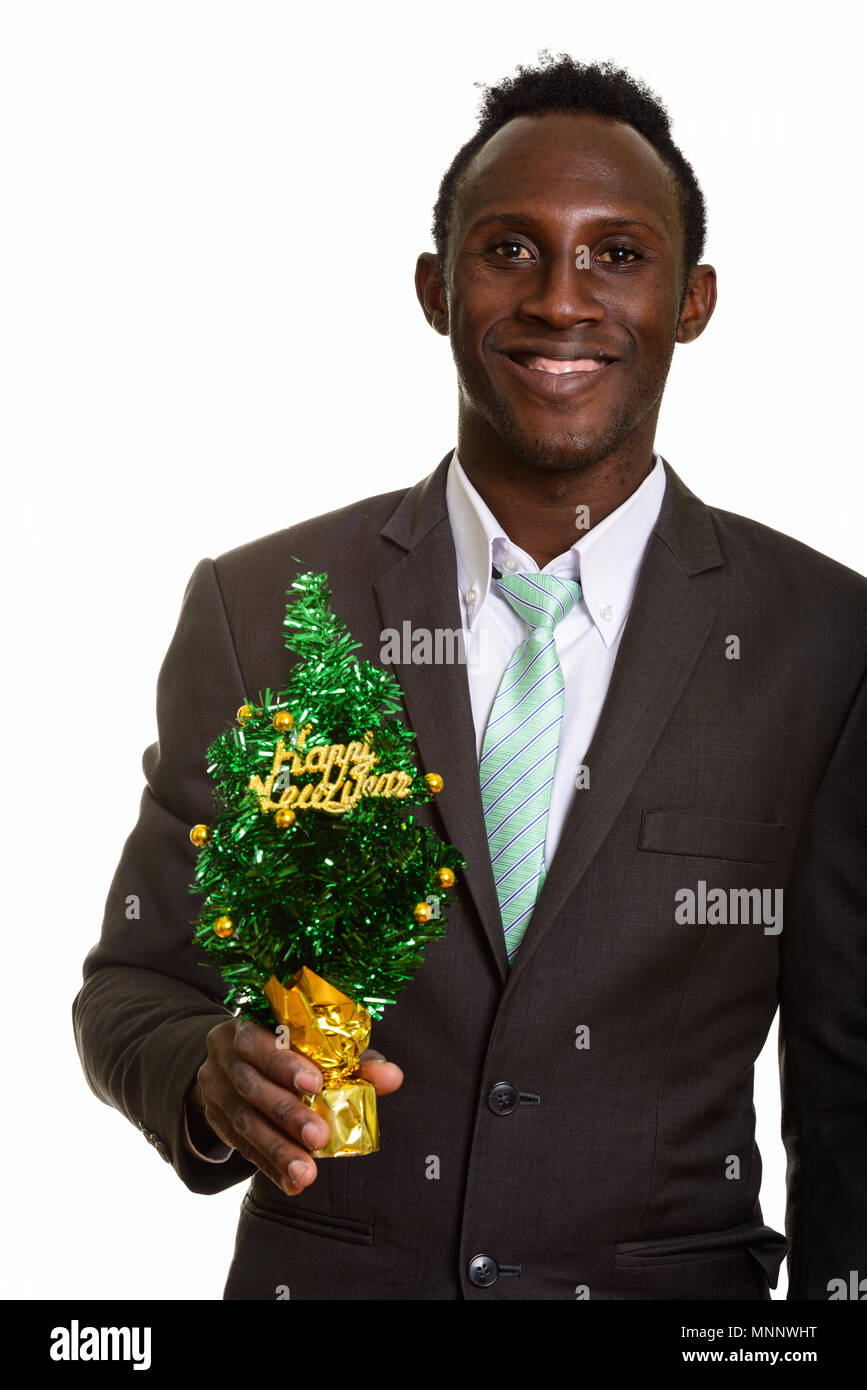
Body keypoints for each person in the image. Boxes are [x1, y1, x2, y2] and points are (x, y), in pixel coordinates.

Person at [73, 53, 867, 1300]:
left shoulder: (828, 644)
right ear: (437, 290)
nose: (562, 300)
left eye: (617, 254)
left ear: (694, 299)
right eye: (510, 250)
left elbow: (851, 1093)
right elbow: (135, 981)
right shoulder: (263, 610)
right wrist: (208, 1076)